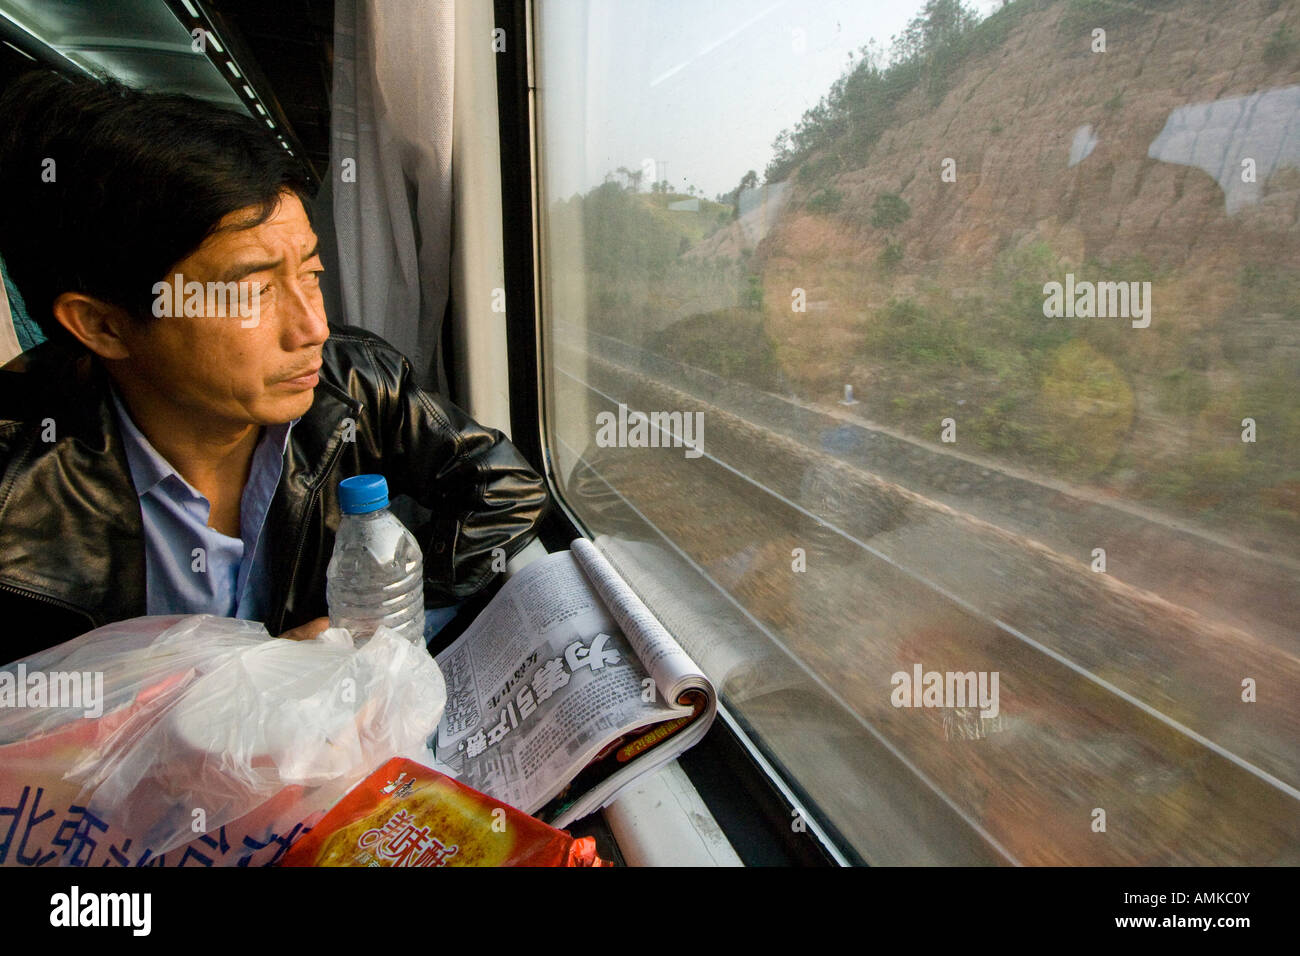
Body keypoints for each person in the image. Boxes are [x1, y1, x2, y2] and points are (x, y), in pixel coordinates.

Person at [0, 72, 549, 662]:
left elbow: (502, 483)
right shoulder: (18, 481)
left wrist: (364, 616)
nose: (313, 328)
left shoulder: (353, 382)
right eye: (252, 293)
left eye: (311, 276)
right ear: (105, 325)